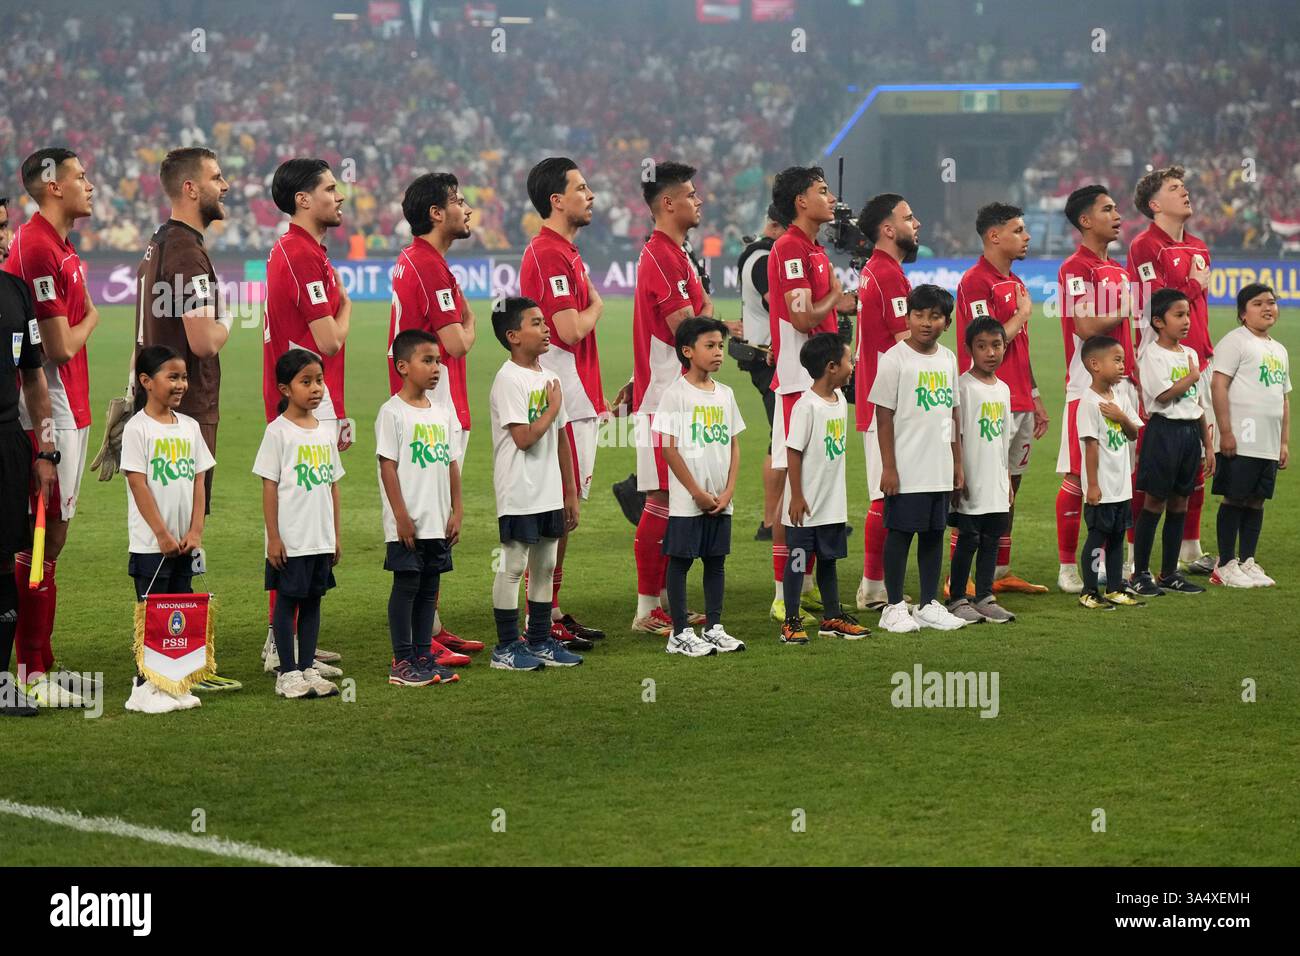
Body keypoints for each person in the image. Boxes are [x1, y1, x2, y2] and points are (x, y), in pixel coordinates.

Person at [134, 146, 240, 693]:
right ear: (191, 189)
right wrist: (229, 324)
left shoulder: (159, 243)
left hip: (160, 410)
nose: (226, 185)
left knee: (172, 532)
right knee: (178, 533)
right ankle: (167, 665)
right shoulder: (186, 252)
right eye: (217, 178)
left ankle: (178, 659)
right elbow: (202, 337)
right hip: (185, 411)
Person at [1, 147, 100, 706]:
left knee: (51, 537)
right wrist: (91, 316)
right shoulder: (37, 247)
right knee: (41, 535)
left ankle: (40, 659)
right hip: (50, 410)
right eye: (80, 176)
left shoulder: (57, 245)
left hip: (71, 408)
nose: (89, 184)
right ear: (53, 186)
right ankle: (31, 670)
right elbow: (59, 347)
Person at [260, 158, 351, 673]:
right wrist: (348, 307)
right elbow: (330, 339)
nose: (339, 197)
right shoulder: (298, 253)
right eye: (330, 189)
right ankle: (281, 645)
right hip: (301, 403)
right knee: (293, 518)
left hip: (310, 399)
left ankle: (294, 640)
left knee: (308, 511)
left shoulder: (304, 251)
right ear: (302, 199)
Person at [386, 172, 480, 662]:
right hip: (433, 408)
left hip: (423, 405)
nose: (467, 209)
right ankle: (420, 644)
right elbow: (459, 341)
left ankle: (433, 628)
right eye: (459, 202)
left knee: (433, 524)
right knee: (432, 525)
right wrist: (469, 318)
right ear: (437, 214)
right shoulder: (430, 266)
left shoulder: (416, 261)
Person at [623, 161, 711, 637]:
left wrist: (705, 321)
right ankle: (645, 608)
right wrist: (706, 323)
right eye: (692, 195)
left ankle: (660, 601)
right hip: (662, 397)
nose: (699, 202)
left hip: (674, 393)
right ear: (668, 204)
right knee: (660, 497)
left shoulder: (677, 253)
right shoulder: (660, 255)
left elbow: (701, 320)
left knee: (672, 496)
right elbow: (691, 327)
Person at [766, 166, 857, 625]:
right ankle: (785, 594)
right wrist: (836, 300)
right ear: (801, 201)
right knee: (794, 489)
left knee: (819, 485)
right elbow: (802, 319)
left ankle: (802, 588)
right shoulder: (789, 249)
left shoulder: (813, 250)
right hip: (799, 385)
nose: (831, 197)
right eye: (823, 191)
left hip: (818, 382)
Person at [519, 157, 603, 650]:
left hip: (578, 392)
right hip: (562, 393)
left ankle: (548, 608)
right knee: (558, 509)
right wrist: (597, 304)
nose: (590, 195)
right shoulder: (549, 254)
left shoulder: (565, 252)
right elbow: (570, 330)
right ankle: (538, 615)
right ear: (557, 199)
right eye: (581, 187)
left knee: (564, 513)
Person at [954, 202, 1049, 595]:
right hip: (988, 399)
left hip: (1020, 398)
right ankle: (959, 575)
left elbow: (1020, 348)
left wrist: (1036, 395)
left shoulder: (1017, 282)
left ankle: (999, 569)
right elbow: (985, 343)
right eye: (1019, 230)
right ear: (995, 236)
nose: (1026, 237)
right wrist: (1022, 316)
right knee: (979, 485)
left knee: (1012, 484)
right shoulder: (976, 281)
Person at [487, 297, 583, 671]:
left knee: (544, 566)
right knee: (513, 566)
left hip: (548, 490)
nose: (546, 329)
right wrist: (551, 408)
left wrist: (570, 492)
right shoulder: (508, 379)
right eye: (537, 323)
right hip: (518, 490)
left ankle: (540, 641)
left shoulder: (548, 378)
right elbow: (524, 438)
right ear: (513, 336)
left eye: (545, 322)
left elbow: (560, 439)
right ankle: (506, 648)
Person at [1127, 165, 1215, 574]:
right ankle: (1133, 553)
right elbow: (1152, 305)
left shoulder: (1199, 245)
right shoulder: (1145, 245)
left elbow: (1196, 311)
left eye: (1185, 186)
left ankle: (1189, 548)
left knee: (1194, 456)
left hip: (1198, 360)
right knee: (1152, 464)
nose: (1185, 193)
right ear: (1154, 203)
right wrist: (1194, 284)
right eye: (1175, 188)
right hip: (1162, 359)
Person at [1055, 185, 1139, 594]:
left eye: (1117, 208)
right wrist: (1123, 305)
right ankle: (1068, 567)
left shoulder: (1119, 270)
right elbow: (1084, 328)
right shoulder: (1076, 268)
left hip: (1122, 385)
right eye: (1107, 209)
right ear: (1085, 220)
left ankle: (1110, 560)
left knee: (1120, 470)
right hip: (1085, 387)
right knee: (1077, 476)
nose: (1117, 214)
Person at [869, 285, 968, 633]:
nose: (926, 322)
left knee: (933, 534)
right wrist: (889, 467)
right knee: (899, 534)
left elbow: (953, 413)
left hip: (939, 465)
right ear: (908, 317)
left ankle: (928, 604)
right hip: (907, 467)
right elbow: (883, 416)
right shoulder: (895, 359)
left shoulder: (948, 358)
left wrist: (957, 464)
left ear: (947, 322)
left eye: (934, 316)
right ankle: (893, 606)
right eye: (919, 315)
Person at [121, 346, 214, 713]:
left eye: (184, 377)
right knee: (154, 613)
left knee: (181, 609)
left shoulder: (190, 427)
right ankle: (144, 687)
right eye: (172, 377)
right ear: (146, 381)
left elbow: (198, 481)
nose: (181, 384)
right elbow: (138, 484)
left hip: (184, 544)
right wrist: (160, 533)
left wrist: (196, 531)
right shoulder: (137, 429)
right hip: (151, 545)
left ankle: (174, 682)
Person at [253, 349, 345, 699]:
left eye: (319, 380)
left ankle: (307, 667)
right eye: (306, 381)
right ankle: (286, 672)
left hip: (320, 537)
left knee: (313, 602)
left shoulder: (323, 432)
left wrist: (335, 535)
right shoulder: (277, 432)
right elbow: (269, 486)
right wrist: (273, 538)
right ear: (285, 389)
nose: (316, 388)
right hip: (291, 539)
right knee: (287, 603)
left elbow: (333, 485)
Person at [652, 316, 746, 656]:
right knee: (681, 561)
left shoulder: (726, 394)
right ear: (687, 351)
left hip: (721, 499)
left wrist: (729, 490)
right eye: (710, 346)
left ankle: (714, 627)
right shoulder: (676, 395)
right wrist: (695, 492)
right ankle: (679, 632)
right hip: (689, 501)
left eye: (721, 345)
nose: (718, 352)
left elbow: (734, 445)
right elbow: (668, 448)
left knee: (715, 561)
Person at [377, 329, 464, 686]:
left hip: (437, 520)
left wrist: (457, 511)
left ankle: (424, 656)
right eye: (427, 360)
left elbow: (451, 464)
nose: (436, 368)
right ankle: (403, 660)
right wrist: (400, 517)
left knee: (429, 588)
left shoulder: (443, 413)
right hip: (409, 523)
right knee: (407, 585)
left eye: (438, 361)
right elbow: (388, 465)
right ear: (402, 366)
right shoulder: (392, 413)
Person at [852, 192, 920, 611]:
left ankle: (875, 585)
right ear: (888, 229)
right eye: (909, 217)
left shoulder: (875, 270)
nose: (918, 224)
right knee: (886, 494)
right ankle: (873, 588)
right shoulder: (888, 274)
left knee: (888, 492)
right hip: (888, 405)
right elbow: (906, 342)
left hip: (876, 399)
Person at [781, 332, 869, 643]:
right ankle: (791, 621)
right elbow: (793, 450)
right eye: (849, 361)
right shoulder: (807, 406)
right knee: (798, 562)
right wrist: (797, 495)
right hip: (806, 505)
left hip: (832, 502)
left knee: (829, 560)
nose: (852, 365)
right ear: (832, 366)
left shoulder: (840, 400)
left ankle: (832, 617)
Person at [0, 253, 57, 716]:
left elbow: (35, 377)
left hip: (7, 442)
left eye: (3, 226)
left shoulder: (17, 294)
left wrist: (45, 450)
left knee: (4, 560)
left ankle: (3, 684)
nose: (3, 236)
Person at [1130, 289, 1212, 595]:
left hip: (1191, 433)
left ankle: (1169, 572)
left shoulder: (1190, 354)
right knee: (1154, 502)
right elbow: (1162, 395)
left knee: (1181, 502)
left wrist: (1207, 445)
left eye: (1188, 314)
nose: (1186, 321)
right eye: (1178, 315)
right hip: (1164, 432)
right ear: (1158, 322)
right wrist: (1191, 378)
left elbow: (1198, 403)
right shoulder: (1151, 355)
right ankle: (1140, 573)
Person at [1209, 284, 1289, 588]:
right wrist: (1225, 431)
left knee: (1257, 500)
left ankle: (1247, 560)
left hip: (1268, 441)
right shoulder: (1235, 342)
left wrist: (1283, 442)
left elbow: (1284, 399)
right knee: (1236, 496)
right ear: (1243, 313)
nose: (1267, 308)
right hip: (1242, 437)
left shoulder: (1278, 349)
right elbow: (1218, 385)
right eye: (1258, 304)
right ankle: (1225, 564)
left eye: (1271, 302)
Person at [947, 318, 1018, 624]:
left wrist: (1007, 478)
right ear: (969, 350)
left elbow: (1003, 437)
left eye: (997, 345)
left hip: (996, 478)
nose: (991, 352)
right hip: (971, 479)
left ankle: (985, 595)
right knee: (969, 537)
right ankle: (958, 597)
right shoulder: (963, 387)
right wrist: (958, 470)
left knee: (992, 537)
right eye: (982, 346)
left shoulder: (1003, 389)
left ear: (1005, 347)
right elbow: (956, 433)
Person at [1075, 336, 1144, 609]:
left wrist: (1122, 417)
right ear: (1094, 364)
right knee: (1097, 537)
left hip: (1120, 485)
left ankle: (1115, 587)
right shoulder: (1089, 403)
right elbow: (1090, 446)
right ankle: (1089, 591)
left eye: (1123, 361)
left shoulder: (1120, 397)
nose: (1121, 366)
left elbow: (1133, 431)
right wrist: (1092, 485)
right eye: (1116, 360)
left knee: (1117, 536)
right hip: (1101, 486)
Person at [736, 204, 786, 542]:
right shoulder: (766, 259)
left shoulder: (757, 255)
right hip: (767, 357)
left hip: (765, 354)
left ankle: (780, 518)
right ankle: (770, 522)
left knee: (784, 436)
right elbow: (779, 303)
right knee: (780, 438)